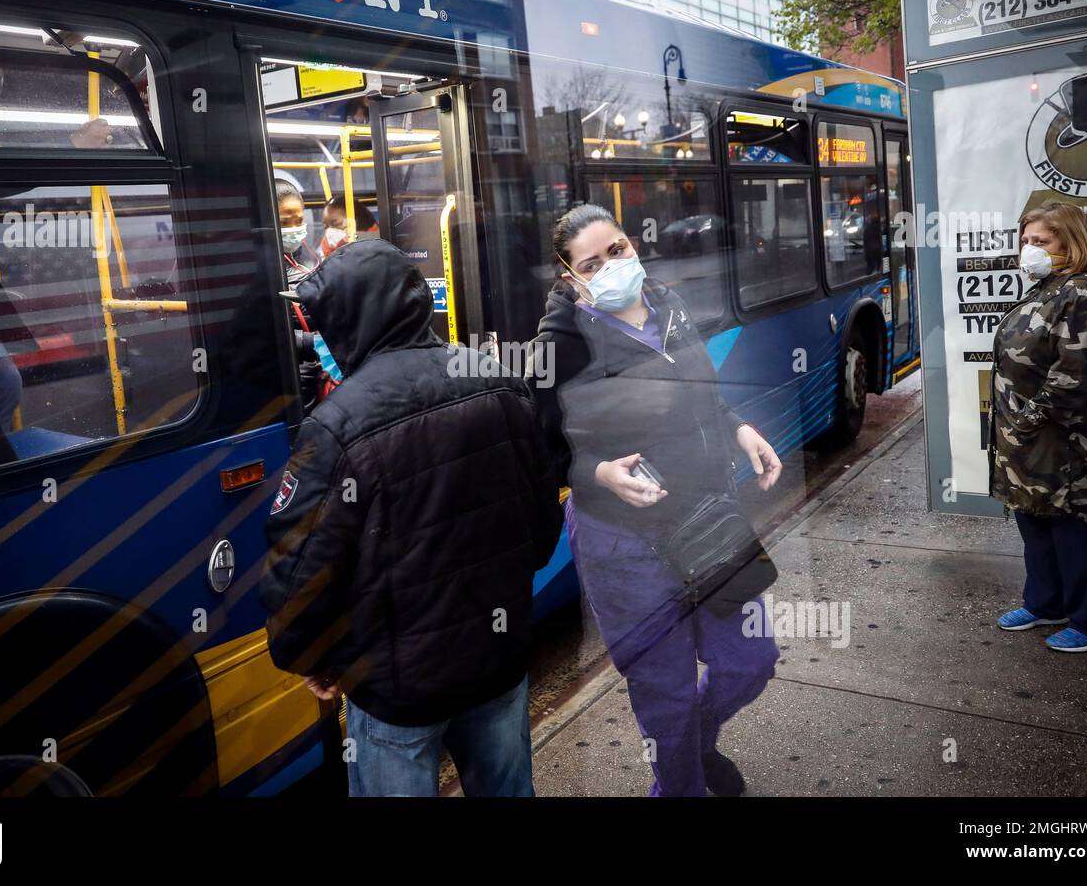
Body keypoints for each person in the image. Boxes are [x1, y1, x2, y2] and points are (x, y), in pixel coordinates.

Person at [260, 239, 563, 796]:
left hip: (398, 688)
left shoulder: (336, 426)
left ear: (347, 319)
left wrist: (311, 656)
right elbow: (543, 529)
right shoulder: (499, 382)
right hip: (498, 664)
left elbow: (299, 569)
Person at [530, 203, 783, 797]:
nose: (612, 266)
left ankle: (694, 746)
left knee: (751, 661)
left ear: (632, 244)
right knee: (663, 692)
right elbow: (539, 447)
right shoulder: (557, 344)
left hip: (708, 519)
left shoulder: (669, 307)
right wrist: (594, 473)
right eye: (592, 263)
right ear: (571, 277)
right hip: (622, 539)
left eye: (617, 250)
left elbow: (706, 398)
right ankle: (679, 783)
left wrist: (737, 427)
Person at [992, 201, 1087, 652]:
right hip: (1032, 441)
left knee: (1075, 531)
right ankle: (1046, 602)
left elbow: (1074, 376)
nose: (1029, 249)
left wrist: (1025, 423)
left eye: (1041, 241)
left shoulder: (1084, 293)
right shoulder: (1050, 287)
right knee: (1037, 524)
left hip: (1068, 442)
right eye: (1026, 241)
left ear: (1070, 243)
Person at [275, 179, 321, 286]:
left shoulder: (310, 257)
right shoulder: (267, 267)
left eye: (299, 221)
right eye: (284, 223)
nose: (293, 228)